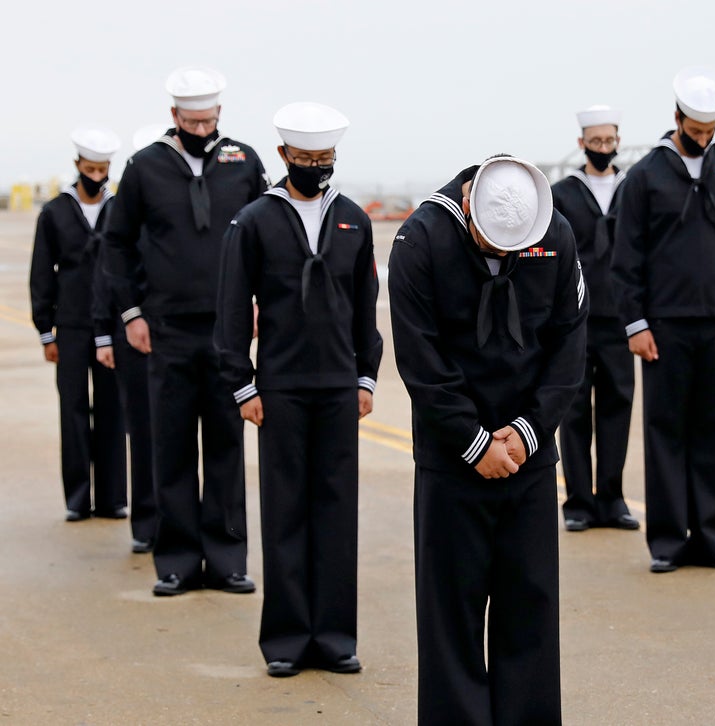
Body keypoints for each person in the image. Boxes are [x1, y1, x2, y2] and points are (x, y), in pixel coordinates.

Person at [389, 155, 588, 725]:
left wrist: (528, 433)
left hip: (527, 454)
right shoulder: (419, 239)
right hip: (453, 460)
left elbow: (568, 343)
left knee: (530, 607)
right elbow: (421, 360)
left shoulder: (552, 229)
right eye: (489, 244)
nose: (501, 257)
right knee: (451, 615)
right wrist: (475, 443)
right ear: (471, 205)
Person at [215, 102, 382, 678]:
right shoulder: (255, 220)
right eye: (307, 158)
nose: (317, 167)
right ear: (284, 156)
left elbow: (366, 308)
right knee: (285, 514)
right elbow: (232, 308)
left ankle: (335, 637)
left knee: (337, 515)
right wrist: (242, 384)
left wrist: (366, 376)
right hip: (279, 388)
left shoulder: (353, 220)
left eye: (326, 158)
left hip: (339, 388)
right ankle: (286, 640)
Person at [102, 66, 269, 596]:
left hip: (227, 330)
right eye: (191, 121)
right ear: (173, 116)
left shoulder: (243, 162)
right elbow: (117, 243)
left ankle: (226, 561)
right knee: (170, 445)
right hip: (166, 329)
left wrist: (263, 300)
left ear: (220, 113)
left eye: (209, 120)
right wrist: (131, 314)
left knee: (226, 445)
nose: (201, 130)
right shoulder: (145, 167)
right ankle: (174, 561)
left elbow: (267, 238)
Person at [611, 67, 715, 574]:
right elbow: (625, 257)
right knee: (666, 431)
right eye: (695, 131)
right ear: (676, 119)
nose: (702, 139)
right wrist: (635, 323)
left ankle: (714, 538)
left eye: (710, 132)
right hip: (664, 327)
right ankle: (669, 542)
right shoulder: (645, 176)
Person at [30, 127, 127, 522]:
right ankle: (77, 499)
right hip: (69, 326)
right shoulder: (54, 211)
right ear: (77, 166)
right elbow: (41, 274)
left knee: (111, 411)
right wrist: (45, 331)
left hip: (110, 326)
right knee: (72, 411)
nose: (97, 175)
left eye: (103, 169)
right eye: (90, 168)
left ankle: (112, 498)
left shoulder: (119, 209)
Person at [553, 104, 638, 532]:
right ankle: (578, 501)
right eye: (596, 141)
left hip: (621, 319)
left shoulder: (632, 188)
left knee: (616, 407)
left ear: (618, 141)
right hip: (577, 320)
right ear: (582, 143)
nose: (603, 148)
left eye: (610, 141)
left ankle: (613, 497)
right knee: (573, 410)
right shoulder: (563, 192)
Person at [91, 125, 168, 554]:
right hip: (132, 330)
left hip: (176, 330)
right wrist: (105, 333)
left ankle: (177, 521)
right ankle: (147, 524)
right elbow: (107, 277)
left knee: (176, 434)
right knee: (142, 431)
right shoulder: (120, 208)